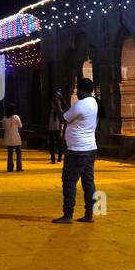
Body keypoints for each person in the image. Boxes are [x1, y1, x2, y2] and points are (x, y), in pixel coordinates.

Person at [53, 77, 98, 224]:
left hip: (77, 150)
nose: (77, 91)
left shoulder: (81, 105)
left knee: (69, 181)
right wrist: (64, 102)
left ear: (83, 90)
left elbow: (63, 118)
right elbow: (72, 113)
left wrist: (57, 105)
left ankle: (68, 214)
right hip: (90, 148)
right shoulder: (92, 102)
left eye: (78, 89)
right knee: (88, 182)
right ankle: (89, 213)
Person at [2, 102, 23, 172]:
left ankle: (10, 168)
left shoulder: (4, 118)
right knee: (18, 153)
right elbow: (20, 126)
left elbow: (3, 127)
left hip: (8, 138)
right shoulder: (16, 117)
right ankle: (19, 167)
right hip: (16, 138)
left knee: (10, 154)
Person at [47, 93, 66, 164]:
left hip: (58, 130)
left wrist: (61, 130)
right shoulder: (51, 112)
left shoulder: (60, 112)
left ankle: (59, 159)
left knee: (59, 145)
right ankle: (53, 159)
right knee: (51, 145)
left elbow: (62, 122)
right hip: (51, 130)